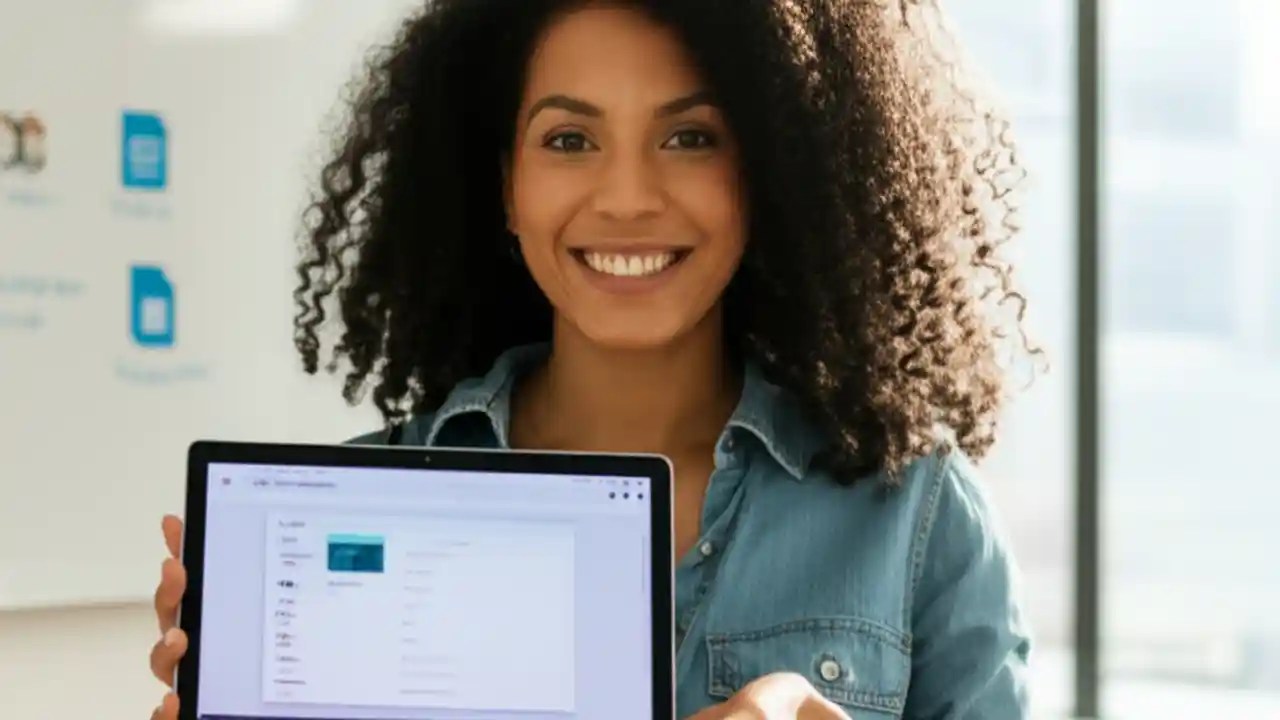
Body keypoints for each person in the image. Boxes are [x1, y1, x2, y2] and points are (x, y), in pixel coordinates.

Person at [149, 0, 1036, 717]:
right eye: (570, 140)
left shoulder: (914, 517)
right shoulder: (355, 503)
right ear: (506, 186)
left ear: (767, 174)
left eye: (690, 137)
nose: (626, 198)